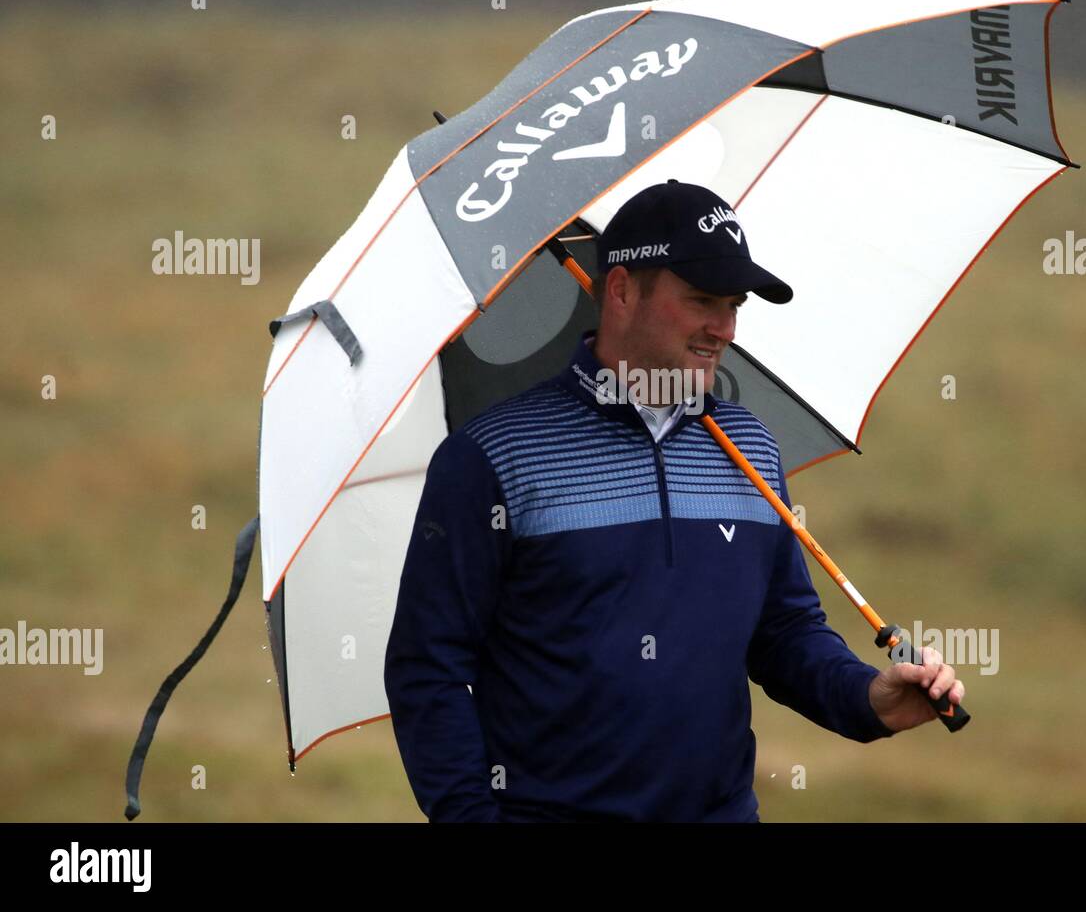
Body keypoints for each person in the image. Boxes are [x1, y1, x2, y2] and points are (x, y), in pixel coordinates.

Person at [384, 180, 965, 822]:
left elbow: (784, 632)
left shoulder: (749, 447)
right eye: (701, 301)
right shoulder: (494, 457)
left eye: (733, 304)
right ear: (623, 291)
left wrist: (868, 698)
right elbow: (428, 666)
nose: (723, 329)